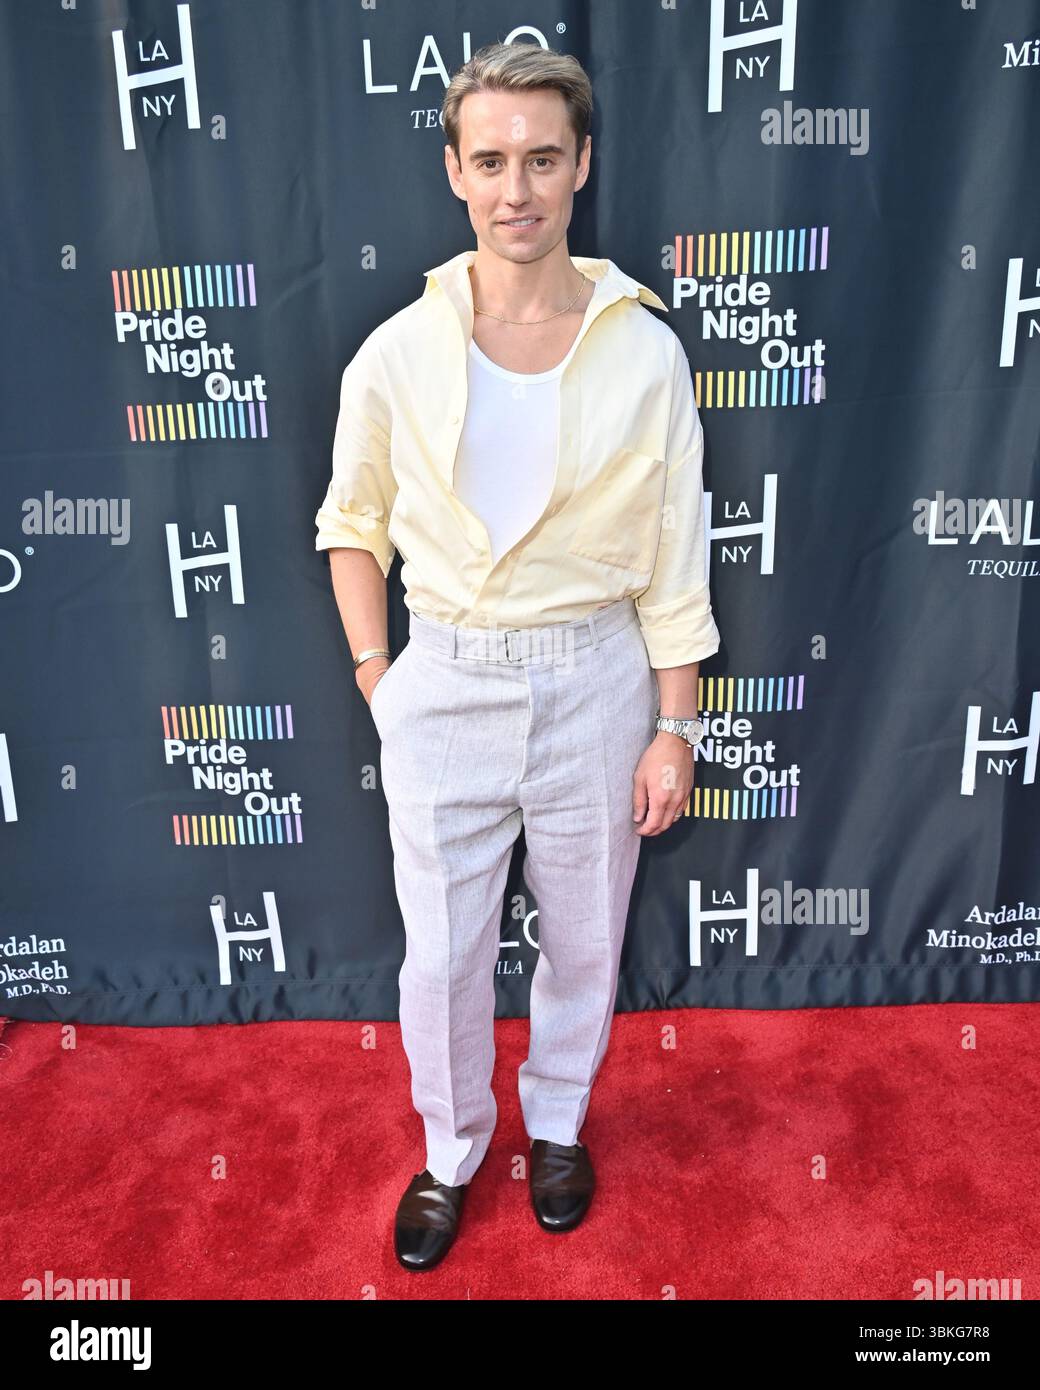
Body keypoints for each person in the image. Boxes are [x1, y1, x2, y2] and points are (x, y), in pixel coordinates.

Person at [314, 41, 720, 1273]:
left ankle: (553, 1125)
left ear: (581, 165)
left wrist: (674, 723)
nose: (516, 188)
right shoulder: (394, 354)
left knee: (586, 935)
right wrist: (382, 679)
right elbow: (349, 527)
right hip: (443, 676)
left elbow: (673, 551)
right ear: (453, 171)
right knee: (438, 949)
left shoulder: (643, 352)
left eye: (542, 158)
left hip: (598, 675)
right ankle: (448, 1150)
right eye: (489, 160)